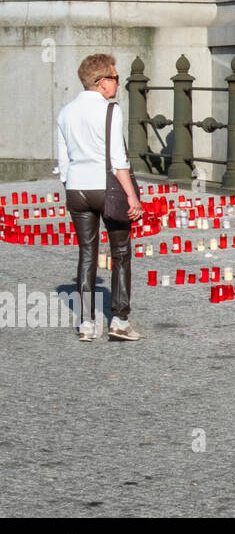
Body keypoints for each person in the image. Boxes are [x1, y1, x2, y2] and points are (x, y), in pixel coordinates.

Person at [55, 54, 144, 341]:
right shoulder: (110, 111)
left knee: (86, 254)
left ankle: (85, 323)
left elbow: (63, 162)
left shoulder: (65, 112)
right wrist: (132, 197)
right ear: (101, 82)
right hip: (106, 188)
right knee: (120, 253)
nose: (118, 83)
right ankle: (119, 320)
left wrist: (73, 183)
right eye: (115, 78)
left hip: (77, 190)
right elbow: (119, 161)